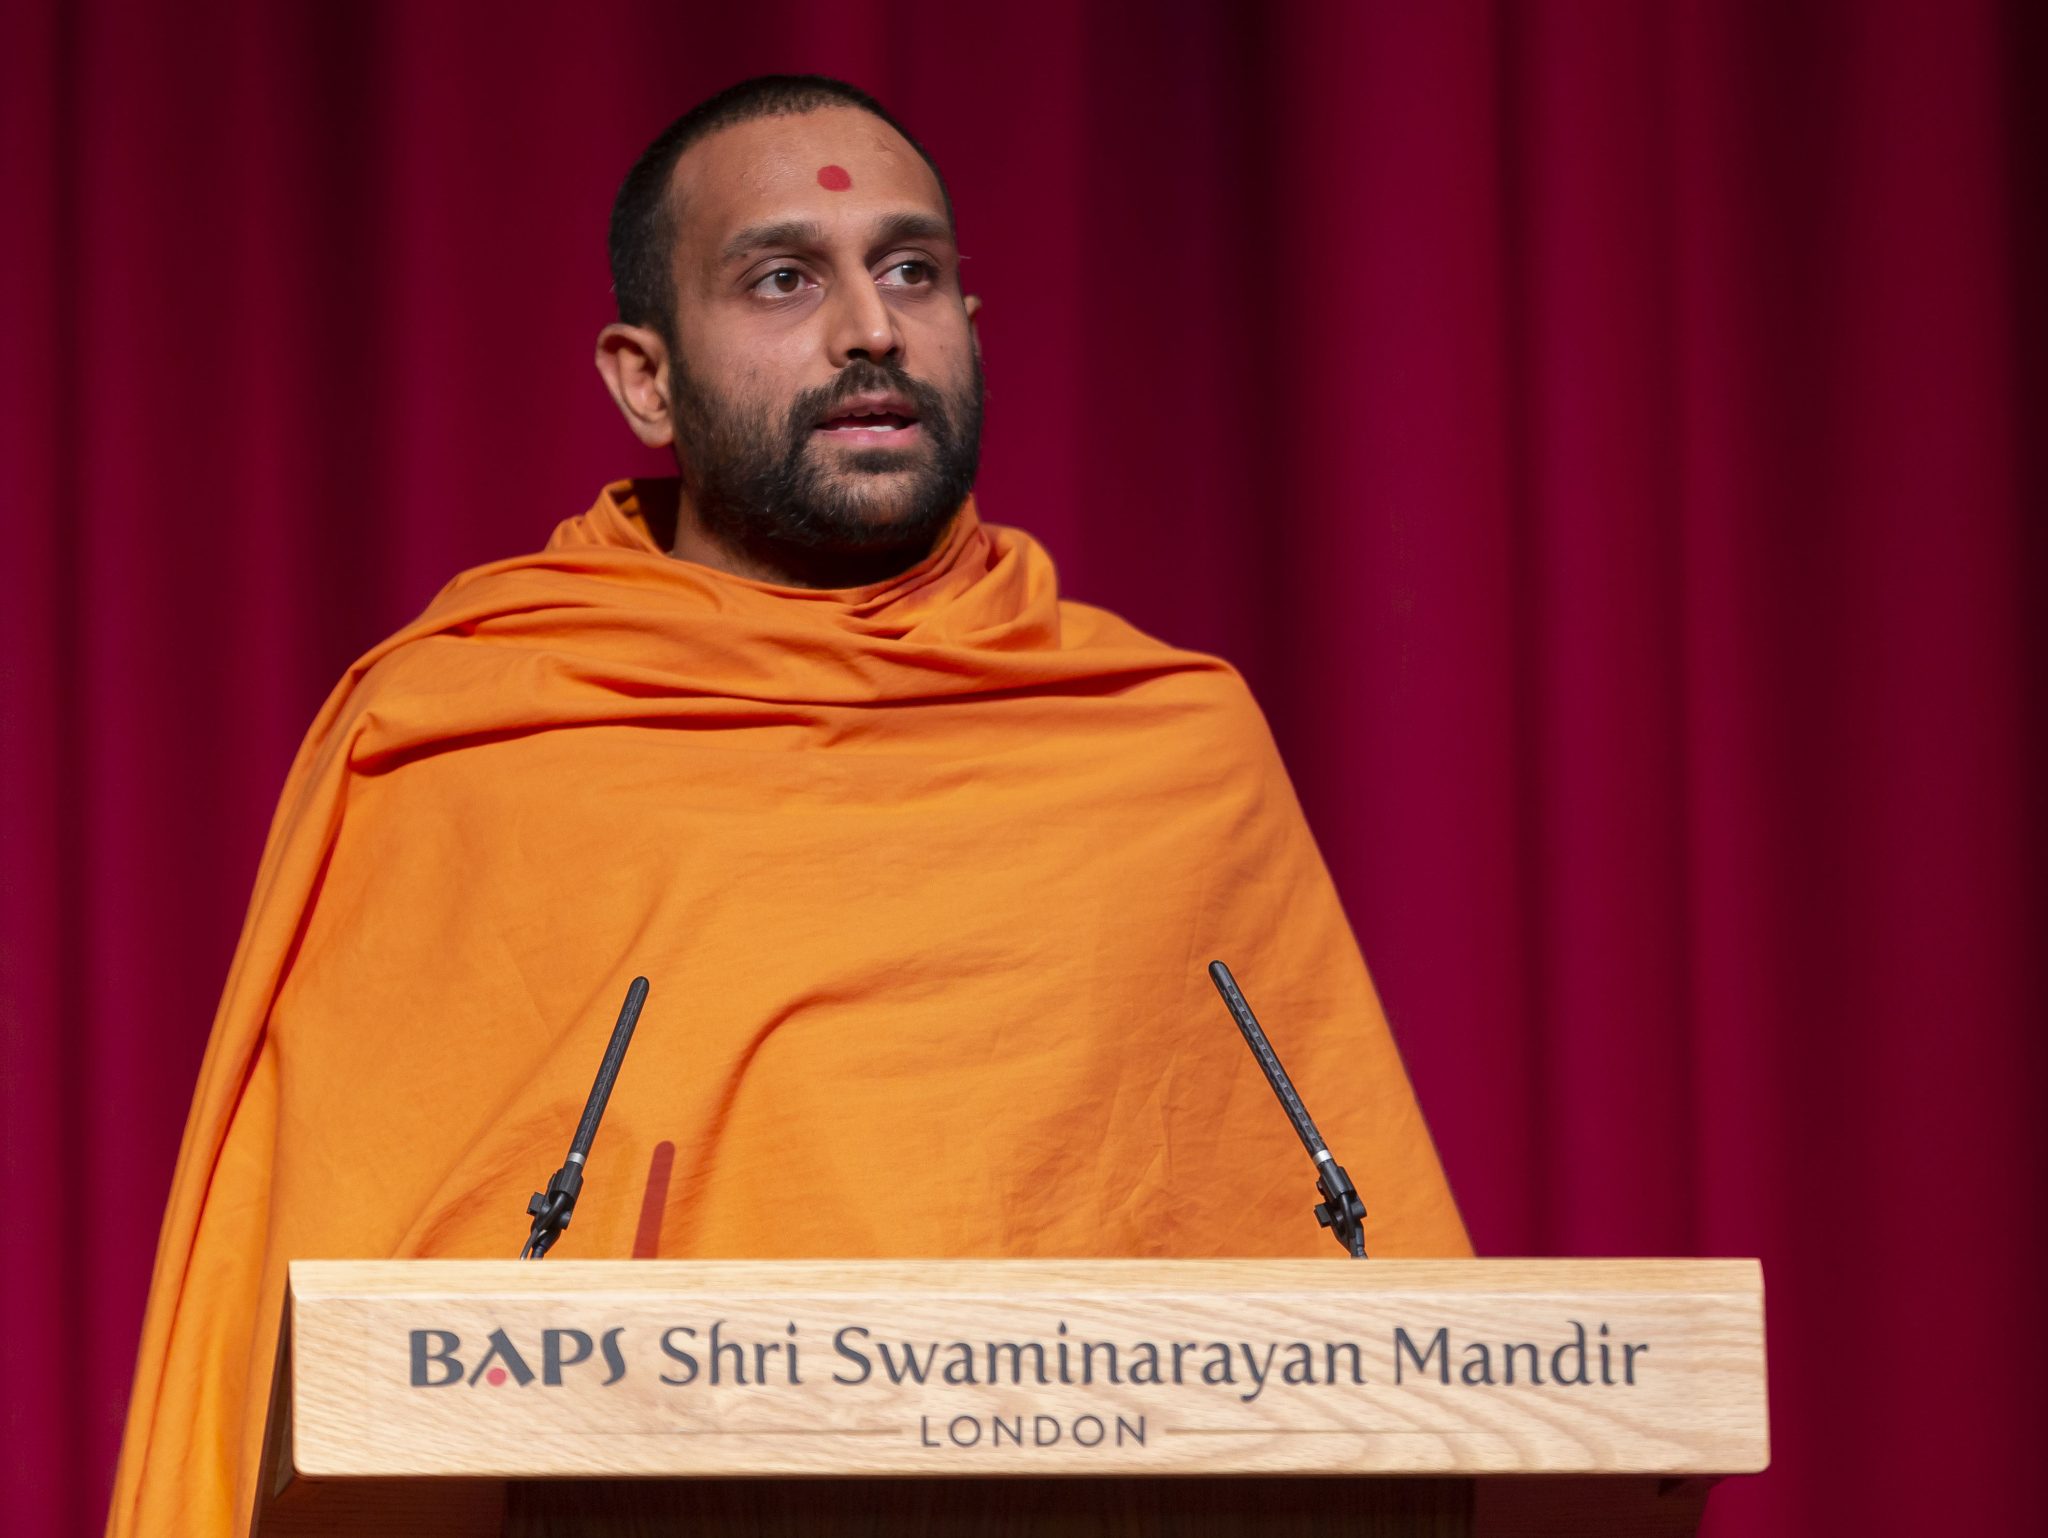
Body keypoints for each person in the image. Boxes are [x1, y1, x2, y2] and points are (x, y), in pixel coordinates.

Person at [107, 74, 1469, 1535]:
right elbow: (319, 1337)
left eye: (911, 271)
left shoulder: (1168, 742)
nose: (870, 330)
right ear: (646, 378)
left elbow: (1385, 1349)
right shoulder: (471, 741)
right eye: (781, 279)